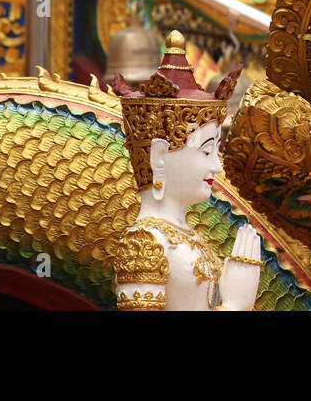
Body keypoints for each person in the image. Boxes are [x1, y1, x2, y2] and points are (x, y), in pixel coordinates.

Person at [111, 30, 262, 310]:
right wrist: (233, 306)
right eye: (206, 150)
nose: (217, 165)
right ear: (159, 156)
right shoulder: (144, 242)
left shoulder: (187, 237)